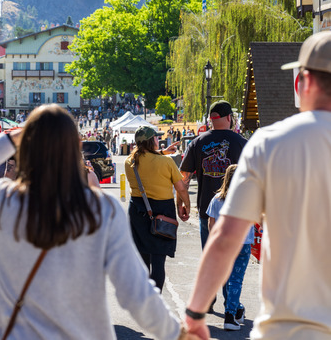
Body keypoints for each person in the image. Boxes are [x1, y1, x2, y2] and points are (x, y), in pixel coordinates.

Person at [0, 104, 190, 339]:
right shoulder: (101, 208)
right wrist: (175, 333)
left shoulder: (1, 201)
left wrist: (12, 138)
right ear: (76, 148)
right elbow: (135, 291)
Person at [184, 31, 331, 340]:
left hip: (289, 325)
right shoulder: (249, 141)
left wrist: (196, 312)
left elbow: (226, 236)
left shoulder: (269, 144)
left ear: (299, 83)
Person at [125, 126, 191, 292]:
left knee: (143, 260)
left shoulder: (129, 162)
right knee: (158, 261)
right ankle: (156, 301)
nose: (158, 139)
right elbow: (181, 188)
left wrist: (162, 152)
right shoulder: (167, 162)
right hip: (163, 211)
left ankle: (145, 300)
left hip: (138, 211)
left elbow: (145, 158)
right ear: (151, 140)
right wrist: (186, 206)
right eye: (156, 137)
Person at [179, 100, 247, 249]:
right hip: (237, 210)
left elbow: (183, 178)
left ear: (211, 119)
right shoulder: (242, 143)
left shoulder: (197, 143)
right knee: (234, 262)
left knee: (211, 260)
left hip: (208, 211)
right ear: (229, 118)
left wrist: (183, 204)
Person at [205, 164, 252, 331]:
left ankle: (237, 309)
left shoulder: (217, 199)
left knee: (228, 278)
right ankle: (230, 315)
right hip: (243, 242)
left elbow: (212, 223)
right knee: (236, 280)